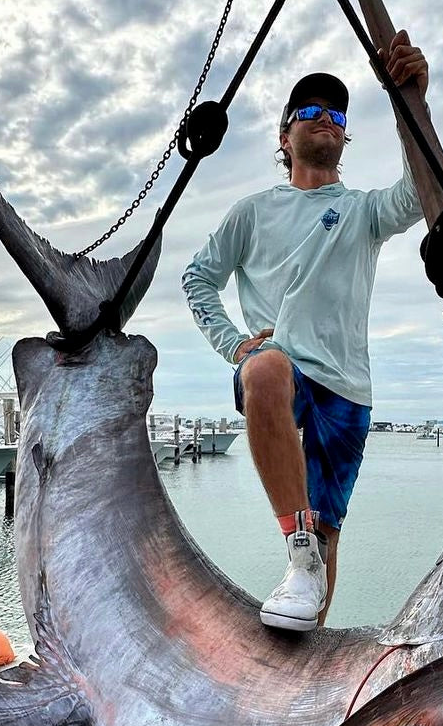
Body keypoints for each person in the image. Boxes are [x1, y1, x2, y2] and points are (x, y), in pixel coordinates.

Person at [182, 33, 428, 631]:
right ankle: (297, 553)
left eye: (337, 113)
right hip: (282, 372)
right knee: (264, 367)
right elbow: (198, 277)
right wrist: (231, 342)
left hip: (348, 386)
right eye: (309, 110)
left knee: (328, 533)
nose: (325, 118)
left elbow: (425, 188)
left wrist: (411, 103)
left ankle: (308, 635)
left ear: (345, 136)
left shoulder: (365, 210)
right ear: (284, 135)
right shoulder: (252, 212)